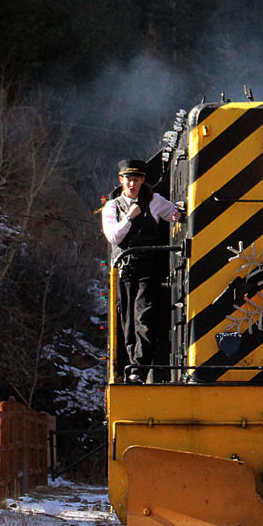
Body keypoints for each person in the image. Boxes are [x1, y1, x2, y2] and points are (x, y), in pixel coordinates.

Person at [101, 159, 181, 382]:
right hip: (126, 270)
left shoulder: (154, 201)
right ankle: (131, 364)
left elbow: (174, 212)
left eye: (136, 179)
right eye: (128, 179)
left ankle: (139, 367)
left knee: (144, 316)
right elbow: (114, 237)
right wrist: (129, 216)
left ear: (143, 180)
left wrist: (179, 215)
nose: (132, 183)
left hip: (149, 268)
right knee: (127, 320)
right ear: (121, 180)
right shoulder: (111, 207)